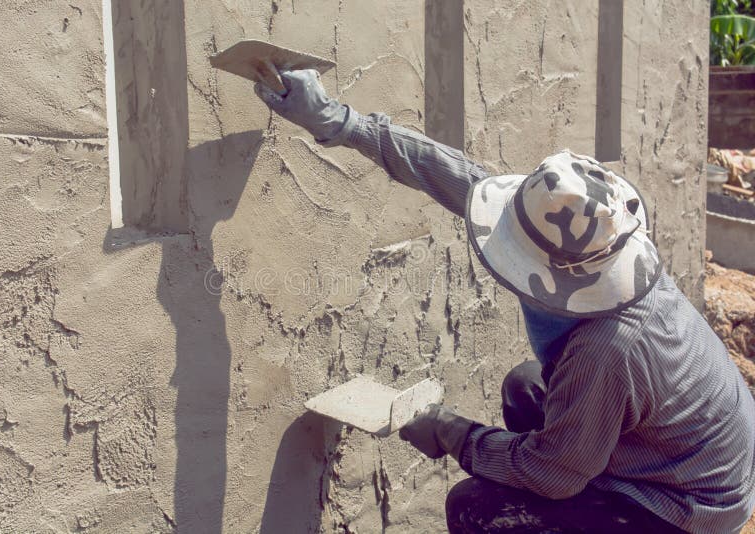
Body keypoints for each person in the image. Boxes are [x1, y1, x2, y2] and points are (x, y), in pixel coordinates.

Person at [254, 69, 755, 533]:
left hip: (689, 502)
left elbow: (553, 473)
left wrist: (451, 432)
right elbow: (454, 176)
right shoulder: (597, 241)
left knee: (475, 507)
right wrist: (338, 121)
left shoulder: (607, 349)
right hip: (677, 448)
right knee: (526, 388)